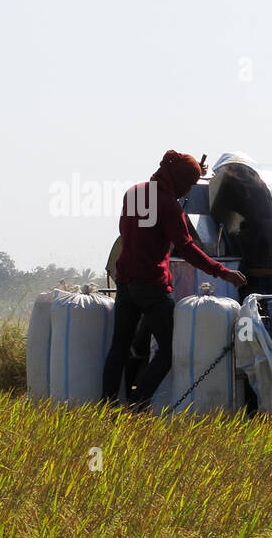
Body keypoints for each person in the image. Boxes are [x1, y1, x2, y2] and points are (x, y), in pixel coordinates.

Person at [100, 150, 246, 406]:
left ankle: (108, 404)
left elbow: (127, 231)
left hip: (126, 282)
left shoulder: (134, 193)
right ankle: (136, 404)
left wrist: (196, 172)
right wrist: (223, 272)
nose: (188, 191)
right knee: (168, 350)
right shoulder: (169, 204)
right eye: (188, 184)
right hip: (152, 287)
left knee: (120, 347)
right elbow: (187, 247)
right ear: (177, 178)